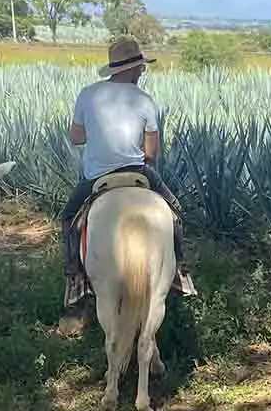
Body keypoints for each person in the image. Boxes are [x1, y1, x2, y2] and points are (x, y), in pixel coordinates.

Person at [59, 37, 197, 311]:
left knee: (67, 219)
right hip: (137, 171)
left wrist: (99, 136)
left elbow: (76, 138)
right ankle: (179, 272)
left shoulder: (88, 94)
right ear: (132, 69)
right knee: (175, 211)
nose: (142, 72)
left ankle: (76, 277)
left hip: (96, 177)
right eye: (140, 67)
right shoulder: (145, 100)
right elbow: (152, 153)